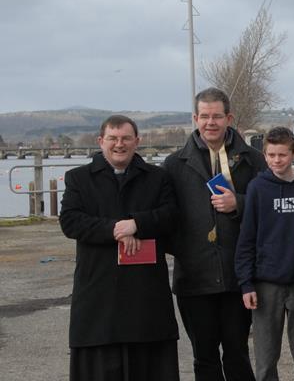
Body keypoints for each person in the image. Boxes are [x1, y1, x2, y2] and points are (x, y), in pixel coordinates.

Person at [59, 115, 179, 381]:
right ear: (101, 141)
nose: (119, 144)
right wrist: (115, 229)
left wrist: (138, 224)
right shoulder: (78, 179)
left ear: (138, 141)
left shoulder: (158, 178)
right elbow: (70, 221)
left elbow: (171, 215)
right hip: (99, 295)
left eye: (126, 138)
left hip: (145, 298)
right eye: (112, 138)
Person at [164, 87, 266, 381]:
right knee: (204, 356)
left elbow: (268, 207)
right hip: (194, 278)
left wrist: (240, 203)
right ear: (195, 118)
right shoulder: (174, 165)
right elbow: (165, 216)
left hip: (238, 276)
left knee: (237, 352)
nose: (211, 122)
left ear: (229, 118)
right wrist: (185, 249)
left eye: (217, 116)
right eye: (205, 116)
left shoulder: (253, 159)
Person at [235, 127, 294, 381]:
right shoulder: (258, 188)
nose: (276, 161)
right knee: (266, 357)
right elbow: (247, 237)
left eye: (282, 155)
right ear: (265, 154)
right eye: (271, 155)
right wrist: (246, 282)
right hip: (265, 284)